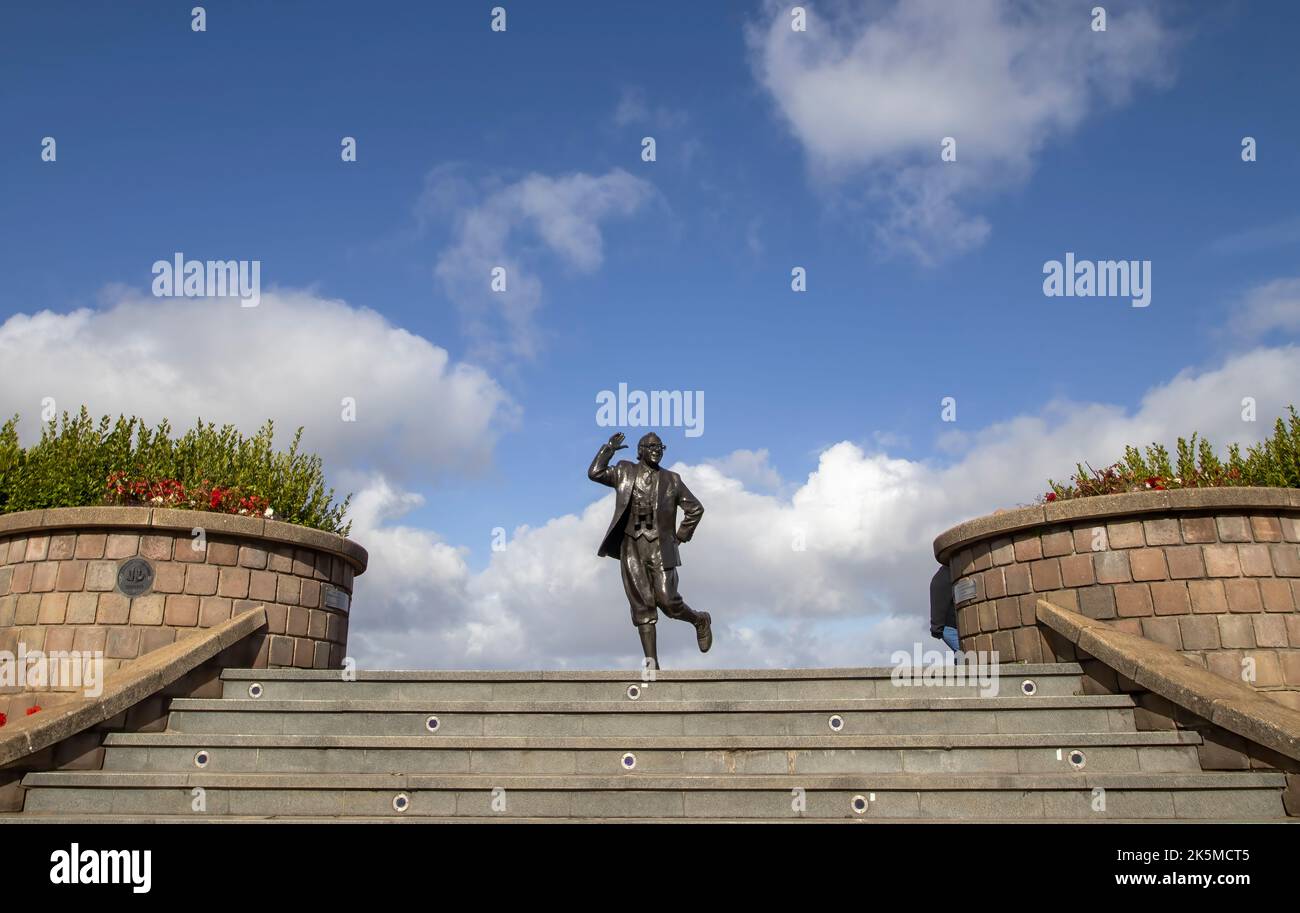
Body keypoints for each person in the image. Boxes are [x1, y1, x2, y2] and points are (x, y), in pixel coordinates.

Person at [588, 431, 711, 670]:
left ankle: (700, 619)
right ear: (640, 450)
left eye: (660, 447)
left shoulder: (672, 480)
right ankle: (652, 665)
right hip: (631, 546)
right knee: (642, 606)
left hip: (661, 546)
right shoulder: (624, 471)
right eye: (651, 446)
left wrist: (680, 536)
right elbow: (595, 473)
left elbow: (695, 508)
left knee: (668, 601)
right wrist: (608, 449)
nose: (656, 450)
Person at [929, 565, 960, 653]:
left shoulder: (950, 573)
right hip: (950, 628)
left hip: (954, 627)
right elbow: (937, 602)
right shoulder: (944, 576)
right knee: (967, 654)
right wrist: (937, 628)